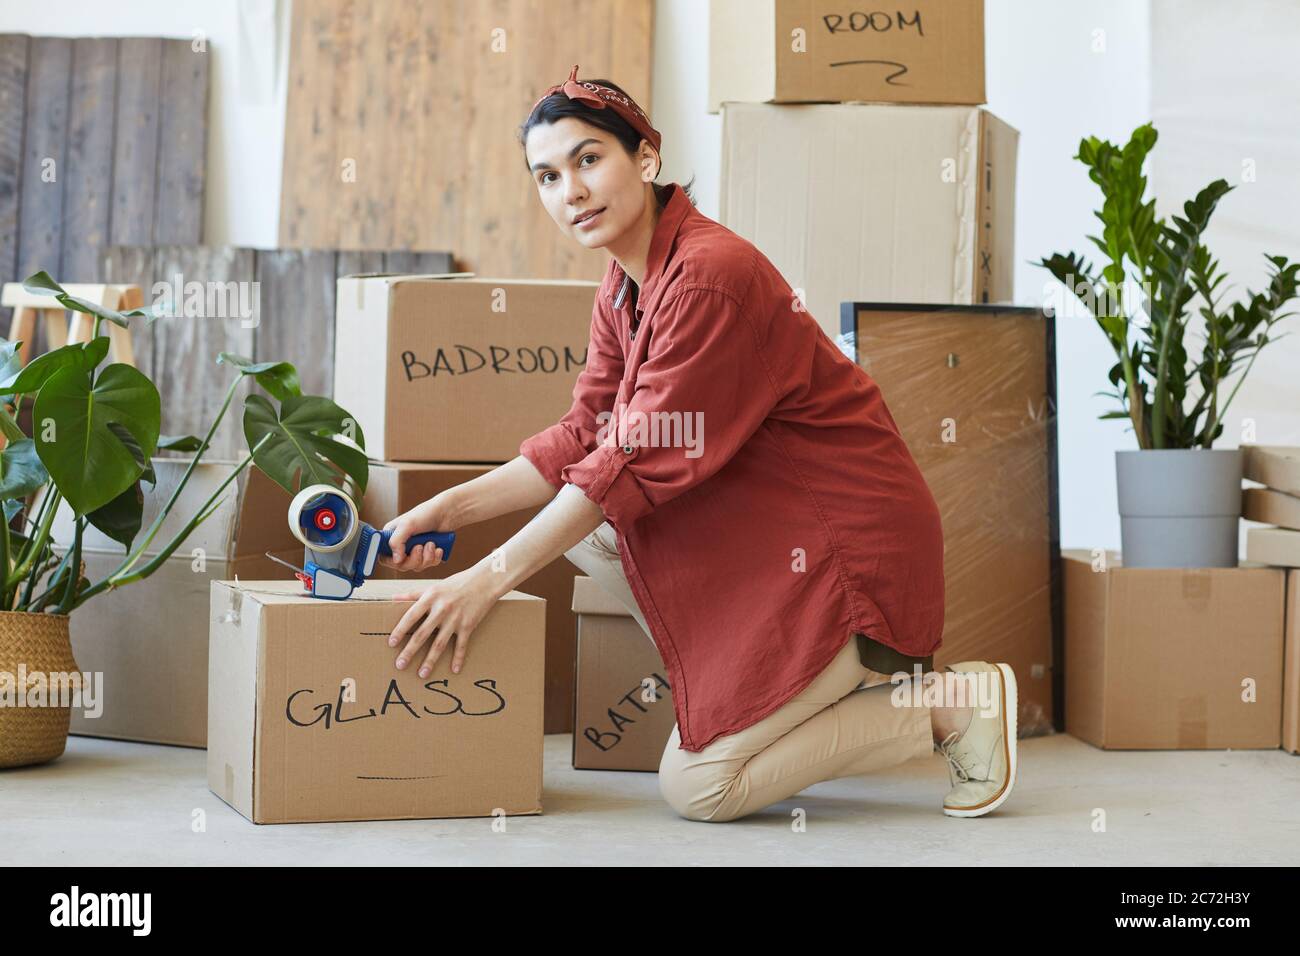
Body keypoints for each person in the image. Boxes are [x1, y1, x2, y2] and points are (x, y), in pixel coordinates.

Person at [379, 65, 1017, 822]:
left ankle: (946, 706)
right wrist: (445, 508)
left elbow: (617, 469)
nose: (571, 191)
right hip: (773, 530)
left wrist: (481, 581)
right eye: (547, 176)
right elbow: (584, 437)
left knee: (700, 787)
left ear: (646, 158)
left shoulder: (710, 278)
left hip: (847, 550)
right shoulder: (624, 286)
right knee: (591, 534)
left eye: (589, 160)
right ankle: (752, 687)